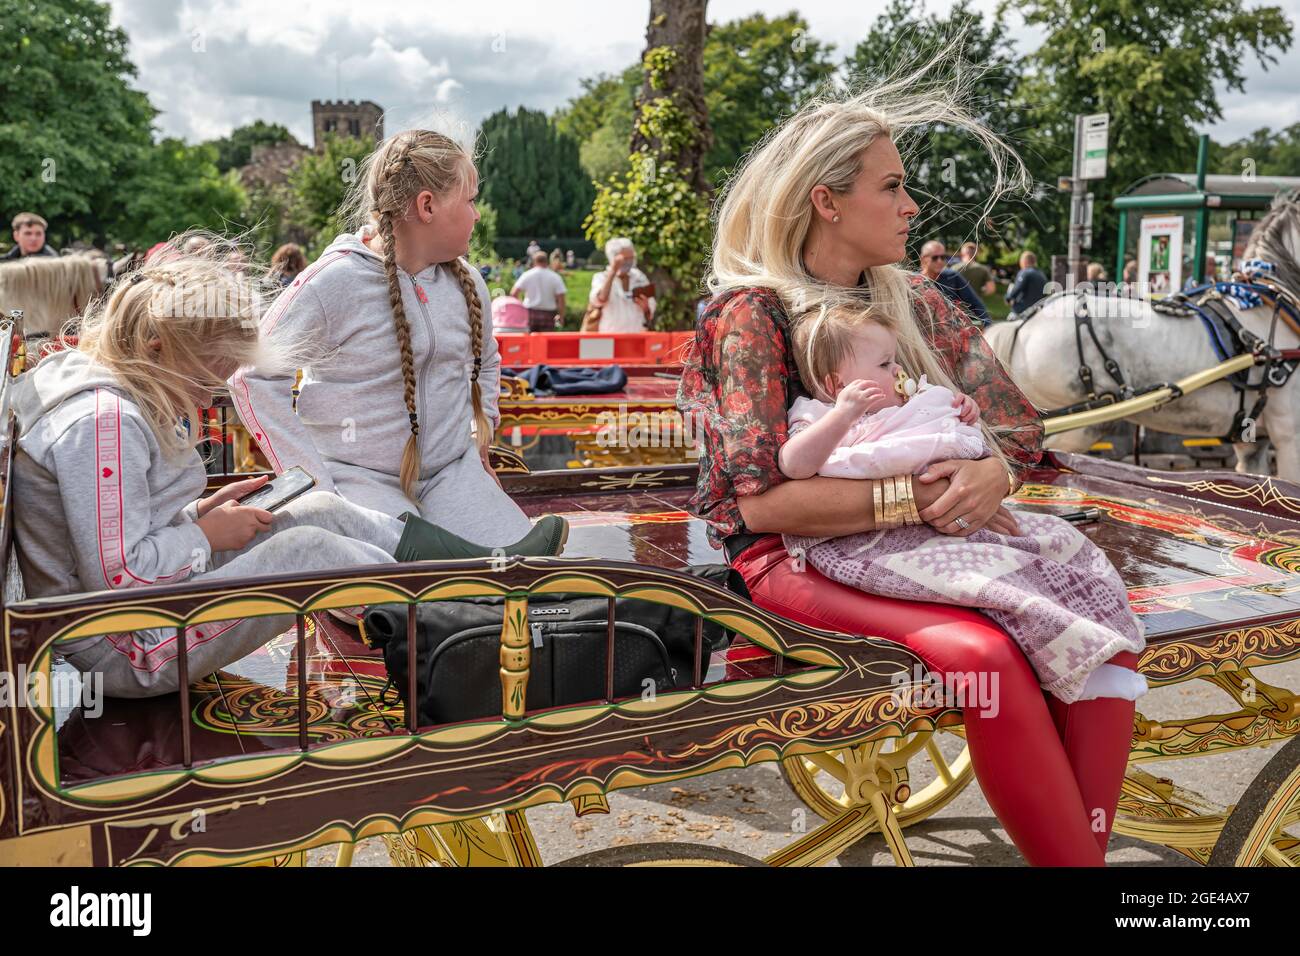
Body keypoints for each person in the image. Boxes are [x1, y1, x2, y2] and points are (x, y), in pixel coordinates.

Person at [677, 71, 1142, 866]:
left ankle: (1077, 855)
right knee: (985, 656)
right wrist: (917, 499)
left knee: (1102, 627)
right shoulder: (754, 314)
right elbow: (757, 509)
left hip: (925, 550)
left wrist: (993, 473)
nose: (911, 206)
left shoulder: (916, 301)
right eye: (891, 187)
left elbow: (1016, 427)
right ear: (826, 200)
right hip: (791, 563)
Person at [10, 239, 555, 699]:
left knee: (313, 507)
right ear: (158, 346)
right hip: (116, 646)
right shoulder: (105, 422)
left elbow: (117, 529)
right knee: (310, 551)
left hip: (133, 614)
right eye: (207, 380)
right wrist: (203, 533)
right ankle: (472, 627)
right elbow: (120, 577)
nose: (209, 398)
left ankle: (491, 569)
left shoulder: (104, 386)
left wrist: (197, 514)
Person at [779, 302, 1146, 703]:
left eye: (895, 360)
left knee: (1058, 538)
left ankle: (1094, 637)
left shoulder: (905, 406)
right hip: (870, 541)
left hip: (943, 526)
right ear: (836, 385)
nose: (898, 371)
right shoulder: (820, 416)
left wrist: (962, 415)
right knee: (996, 583)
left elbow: (944, 438)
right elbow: (796, 464)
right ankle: (1069, 656)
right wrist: (844, 415)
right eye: (885, 365)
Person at [233, 129, 565, 550]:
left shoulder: (467, 284)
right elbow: (252, 377)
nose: (477, 215)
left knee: (525, 578)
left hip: (451, 473)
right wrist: (315, 486)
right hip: (359, 478)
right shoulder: (332, 282)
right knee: (413, 598)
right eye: (471, 200)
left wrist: (481, 437)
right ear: (427, 206)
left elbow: (486, 361)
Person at [585, 238, 655, 332]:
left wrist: (646, 307)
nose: (629, 262)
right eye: (625, 259)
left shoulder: (639, 276)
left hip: (637, 336)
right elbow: (600, 299)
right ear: (613, 258)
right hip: (610, 338)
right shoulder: (601, 277)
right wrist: (613, 271)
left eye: (631, 258)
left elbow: (651, 305)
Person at [919, 239, 990, 326]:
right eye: (935, 258)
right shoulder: (915, 282)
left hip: (949, 333)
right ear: (923, 259)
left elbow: (975, 304)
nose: (940, 261)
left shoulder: (952, 277)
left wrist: (987, 326)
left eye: (943, 257)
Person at [511, 251, 567, 332]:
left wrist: (521, 309)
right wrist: (561, 316)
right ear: (546, 261)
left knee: (529, 342)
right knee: (545, 342)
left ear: (534, 261)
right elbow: (561, 299)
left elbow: (514, 293)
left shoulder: (527, 275)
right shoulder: (555, 277)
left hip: (529, 313)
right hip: (549, 314)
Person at [1005, 250, 1048, 315]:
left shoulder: (1025, 272)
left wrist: (1008, 298)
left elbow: (1017, 289)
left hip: (1024, 310)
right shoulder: (1042, 274)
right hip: (1039, 310)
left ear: (1024, 261)